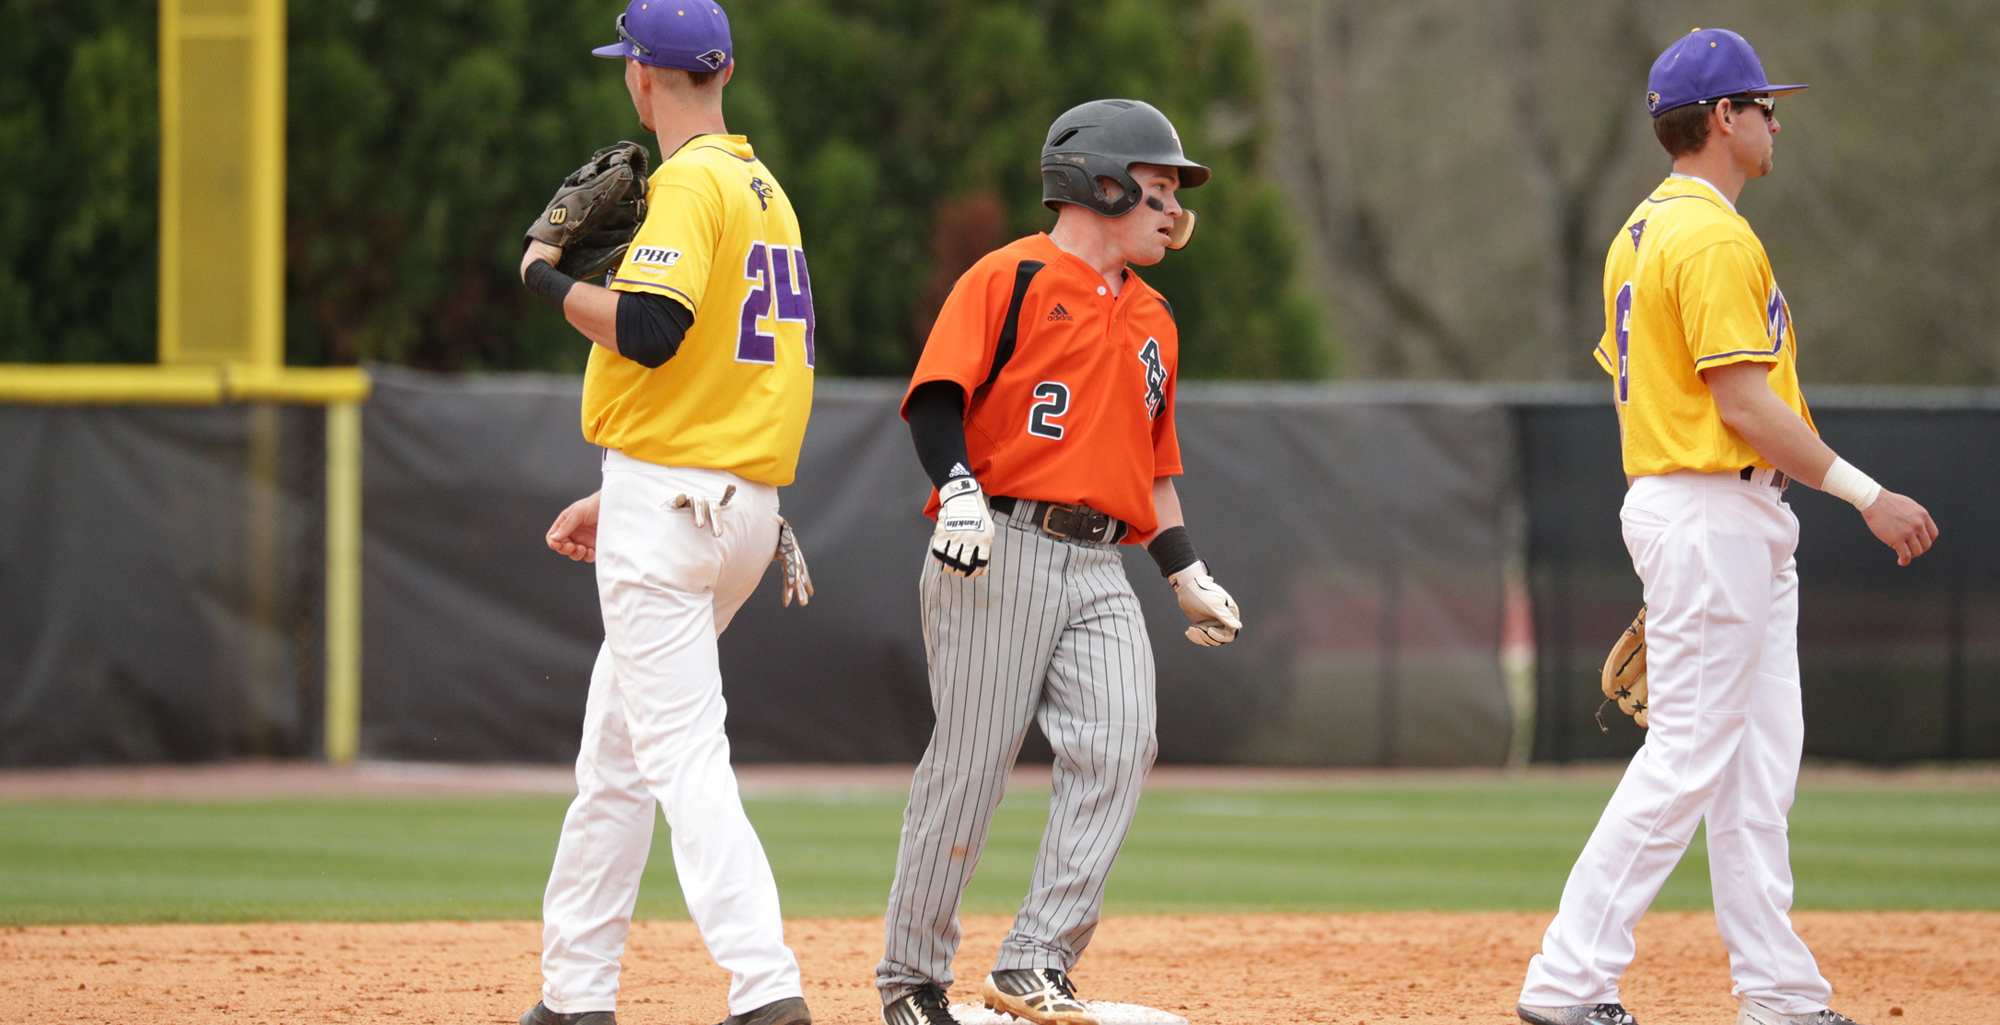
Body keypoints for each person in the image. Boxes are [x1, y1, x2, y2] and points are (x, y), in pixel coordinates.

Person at [1515, 29, 1936, 1025]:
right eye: (1759, 105)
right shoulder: (1709, 236)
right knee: (1691, 754)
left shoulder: (1640, 230)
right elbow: (1738, 403)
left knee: (1756, 760)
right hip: (1710, 505)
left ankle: (1778, 991)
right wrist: (1863, 492)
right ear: (1719, 120)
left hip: (1711, 512)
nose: (1773, 119)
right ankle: (1567, 979)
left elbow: (1651, 390)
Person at [874, 99, 1243, 1025]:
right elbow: (934, 399)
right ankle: (911, 980)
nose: (1170, 209)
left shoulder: (1155, 316)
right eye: (1156, 188)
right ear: (1098, 183)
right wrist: (957, 489)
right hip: (995, 543)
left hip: (1100, 565)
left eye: (1172, 194)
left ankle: (1034, 959)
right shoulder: (1011, 277)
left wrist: (1184, 570)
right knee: (971, 765)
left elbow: (1154, 468)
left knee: (1122, 742)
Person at [519, 3, 818, 1024]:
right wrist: (621, 489)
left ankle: (766, 985)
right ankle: (573, 994)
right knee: (616, 758)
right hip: (735, 505)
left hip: (676, 508)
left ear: (640, 78)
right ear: (722, 69)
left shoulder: (688, 182)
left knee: (683, 754)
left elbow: (648, 328)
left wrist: (547, 281)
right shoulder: (761, 188)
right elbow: (716, 370)